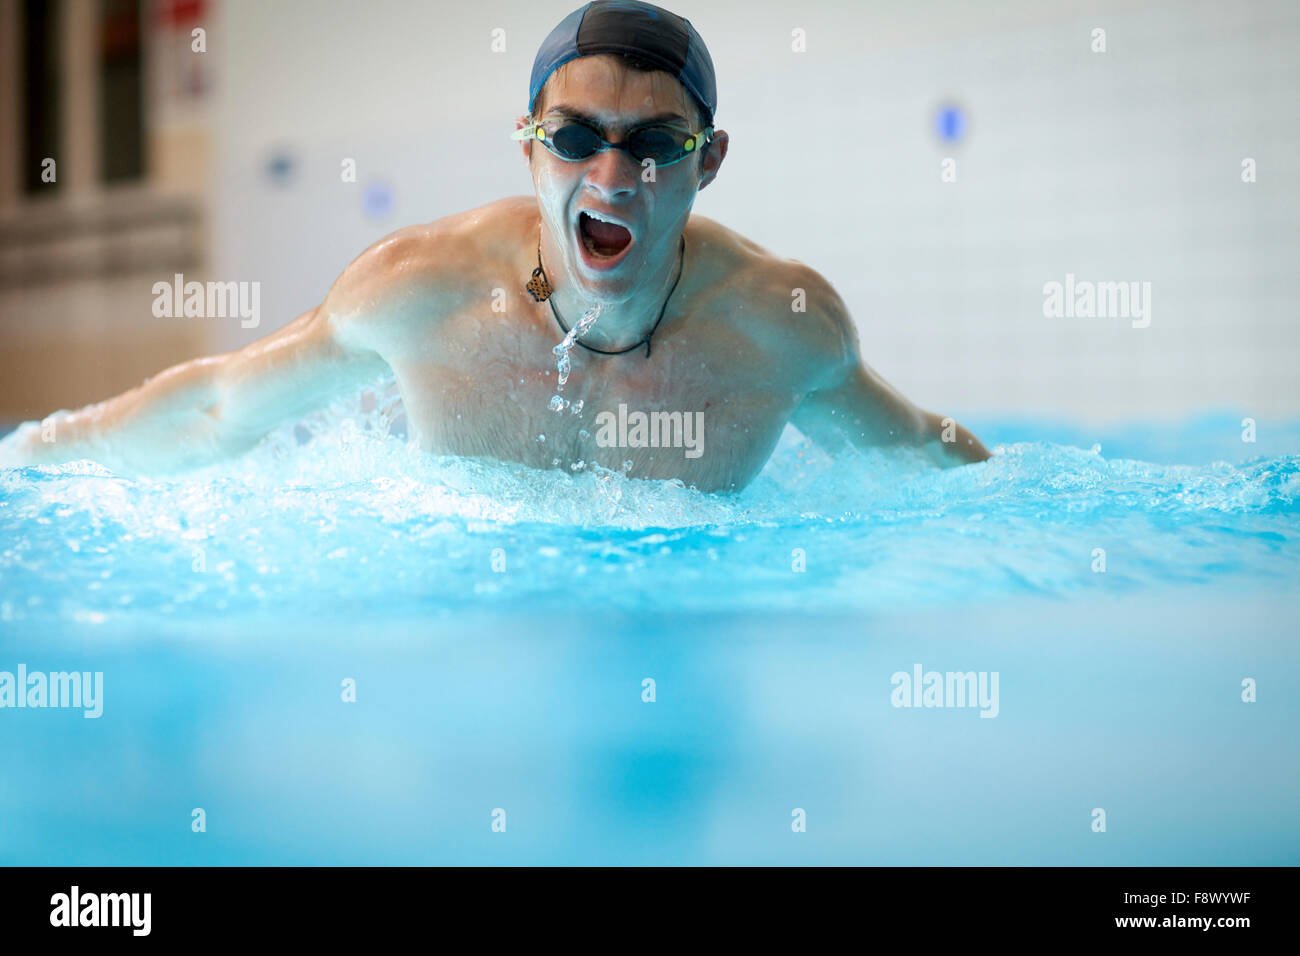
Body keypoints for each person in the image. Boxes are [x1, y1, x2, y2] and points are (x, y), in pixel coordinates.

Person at [0, 0, 989, 493]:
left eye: (652, 144)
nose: (609, 179)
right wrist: (31, 456)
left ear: (707, 160)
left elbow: (922, 463)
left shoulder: (778, 329)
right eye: (572, 138)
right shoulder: (418, 290)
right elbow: (220, 406)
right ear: (529, 147)